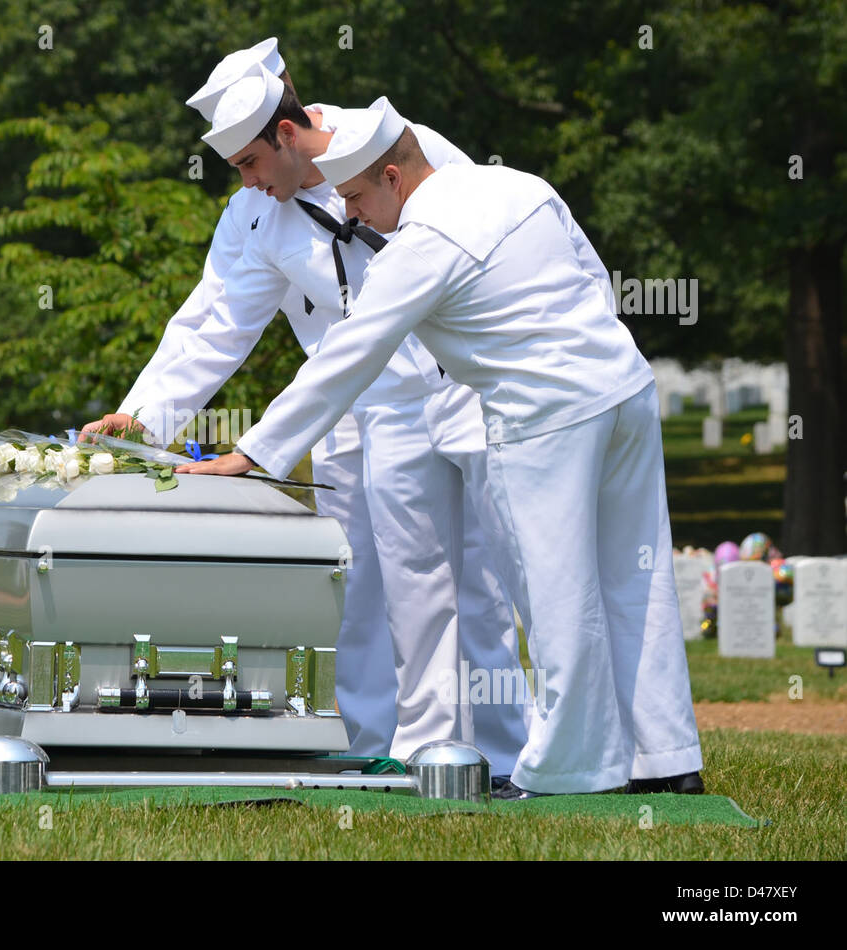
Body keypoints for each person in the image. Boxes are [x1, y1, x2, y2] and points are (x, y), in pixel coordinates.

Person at [177, 97, 704, 797]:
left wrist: (255, 452)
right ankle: (667, 761)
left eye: (359, 197)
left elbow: (347, 359)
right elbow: (589, 270)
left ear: (393, 177)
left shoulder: (421, 243)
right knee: (635, 581)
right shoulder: (521, 185)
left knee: (556, 595)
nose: (354, 216)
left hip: (541, 419)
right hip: (623, 390)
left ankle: (572, 773)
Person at [84, 45, 530, 776]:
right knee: (354, 590)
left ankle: (493, 755)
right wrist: (143, 417)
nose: (249, 185)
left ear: (287, 135)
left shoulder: (394, 141)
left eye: (250, 165)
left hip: (453, 387)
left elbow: (480, 232)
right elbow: (212, 322)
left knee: (470, 587)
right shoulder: (254, 216)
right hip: (348, 408)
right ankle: (371, 748)